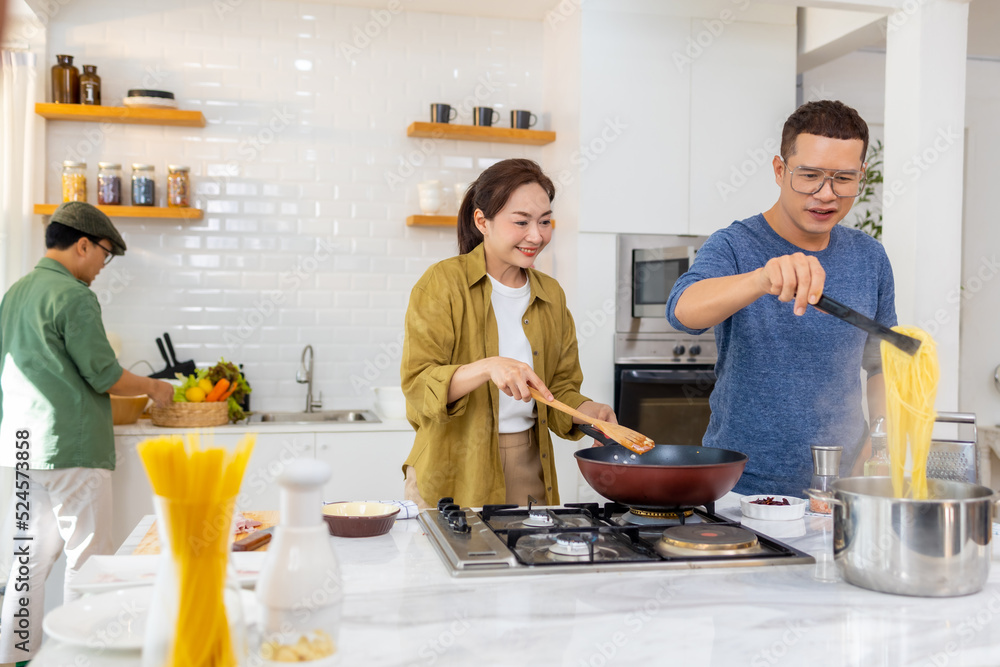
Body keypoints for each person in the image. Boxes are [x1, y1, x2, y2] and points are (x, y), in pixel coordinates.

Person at [666, 100, 895, 497]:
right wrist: (761, 279)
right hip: (740, 487)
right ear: (779, 170)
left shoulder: (870, 257)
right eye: (809, 175)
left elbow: (881, 364)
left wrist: (880, 444)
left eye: (843, 178)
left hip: (843, 487)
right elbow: (683, 310)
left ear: (861, 175)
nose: (826, 194)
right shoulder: (734, 244)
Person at [0, 202, 174, 662]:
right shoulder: (74, 295)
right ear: (82, 245)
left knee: (27, 561)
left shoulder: (15, 293)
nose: (102, 266)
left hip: (22, 446)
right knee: (89, 560)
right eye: (104, 254)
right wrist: (154, 387)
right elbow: (105, 376)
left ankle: (13, 656)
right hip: (71, 447)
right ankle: (81, 658)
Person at [401, 159, 616, 509]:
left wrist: (587, 411)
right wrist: (488, 367)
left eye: (544, 221)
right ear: (482, 221)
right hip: (451, 468)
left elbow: (558, 389)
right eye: (521, 222)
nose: (537, 236)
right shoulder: (442, 283)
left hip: (529, 466)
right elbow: (418, 386)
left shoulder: (551, 294)